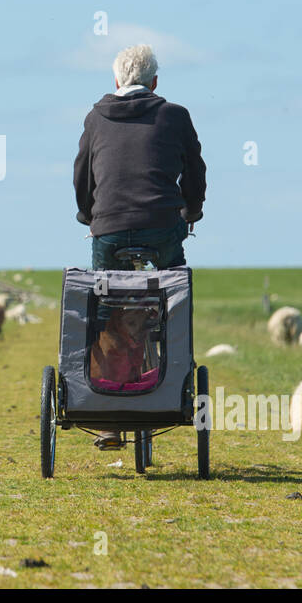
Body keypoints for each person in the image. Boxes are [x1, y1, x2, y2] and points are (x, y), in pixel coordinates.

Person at [74, 43, 206, 449]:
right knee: (172, 303)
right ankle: (168, 387)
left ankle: (107, 413)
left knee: (104, 312)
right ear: (154, 82)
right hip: (162, 227)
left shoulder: (96, 118)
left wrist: (88, 215)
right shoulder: (175, 115)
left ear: (116, 81)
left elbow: (82, 177)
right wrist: (192, 211)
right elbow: (195, 170)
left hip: (109, 230)